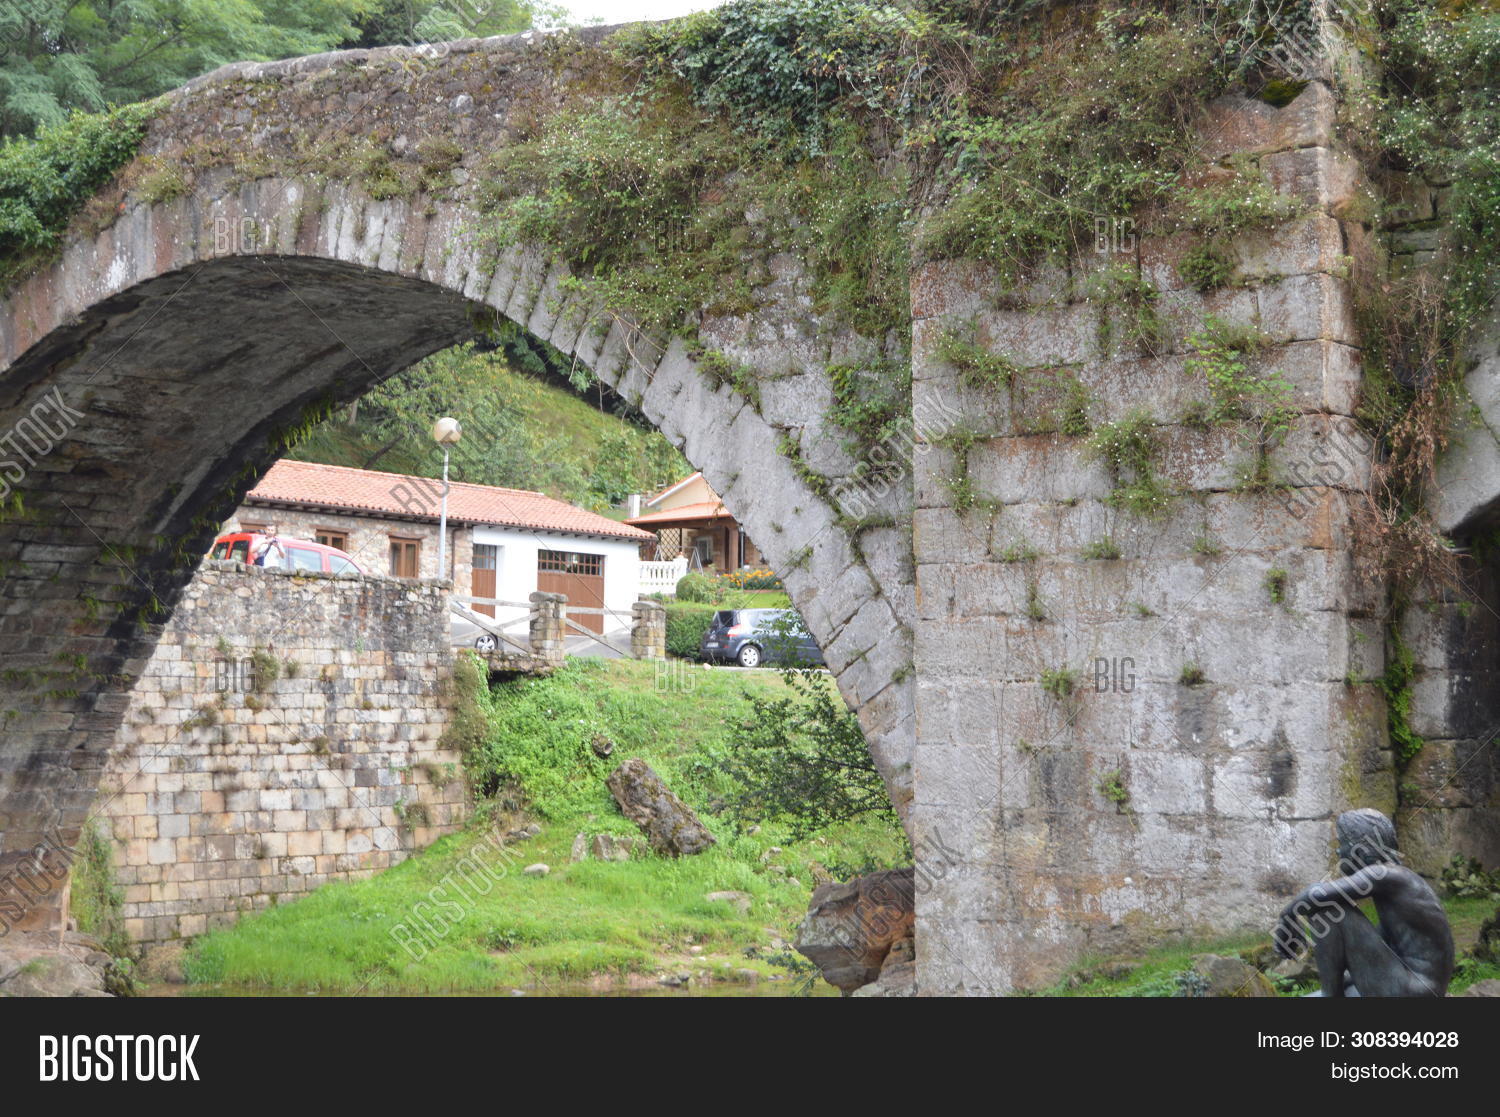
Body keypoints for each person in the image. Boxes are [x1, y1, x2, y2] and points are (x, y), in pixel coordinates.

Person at [1273, 808, 1453, 997]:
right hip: (1414, 988)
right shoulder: (1393, 888)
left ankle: (1329, 995)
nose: (1337, 850)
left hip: (1413, 991)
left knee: (1327, 908)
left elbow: (1318, 893)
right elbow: (1376, 954)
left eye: (1342, 843)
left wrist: (1287, 916)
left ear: (1362, 849)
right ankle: (1331, 993)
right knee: (1350, 988)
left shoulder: (1385, 875)